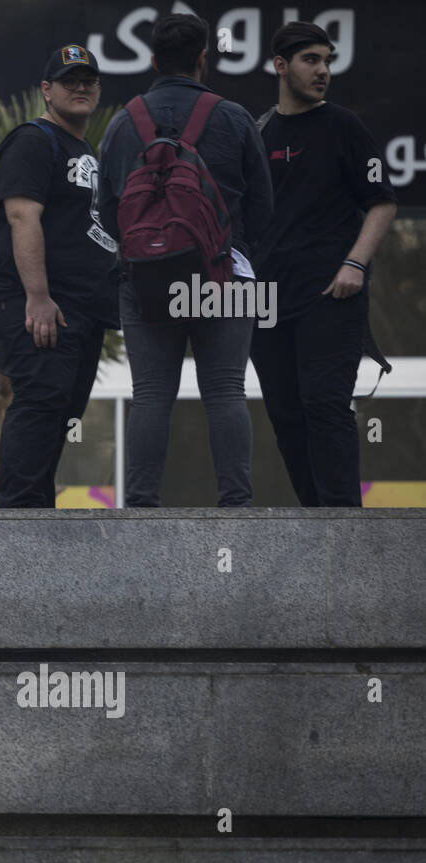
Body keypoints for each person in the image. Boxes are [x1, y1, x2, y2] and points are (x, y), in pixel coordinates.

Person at [97, 12, 273, 507]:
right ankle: (235, 504)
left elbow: (108, 209)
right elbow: (263, 208)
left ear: (151, 60)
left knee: (151, 393)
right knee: (225, 390)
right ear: (203, 59)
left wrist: (147, 255)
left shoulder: (121, 122)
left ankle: (142, 505)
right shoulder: (234, 116)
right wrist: (233, 251)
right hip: (225, 276)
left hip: (145, 280)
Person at [250, 21, 397, 507]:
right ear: (280, 65)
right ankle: (316, 526)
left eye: (328, 60)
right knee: (285, 416)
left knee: (326, 404)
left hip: (331, 295)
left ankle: (344, 527)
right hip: (267, 303)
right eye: (311, 59)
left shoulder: (343, 126)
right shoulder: (259, 131)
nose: (323, 71)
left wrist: (354, 263)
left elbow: (382, 203)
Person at [0, 43, 118, 508]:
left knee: (62, 407)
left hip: (80, 307)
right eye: (69, 81)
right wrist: (36, 297)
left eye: (88, 80)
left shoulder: (83, 147)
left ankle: (37, 517)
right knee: (41, 397)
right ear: (47, 90)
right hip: (34, 302)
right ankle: (17, 522)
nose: (80, 87)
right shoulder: (34, 141)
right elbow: (23, 218)